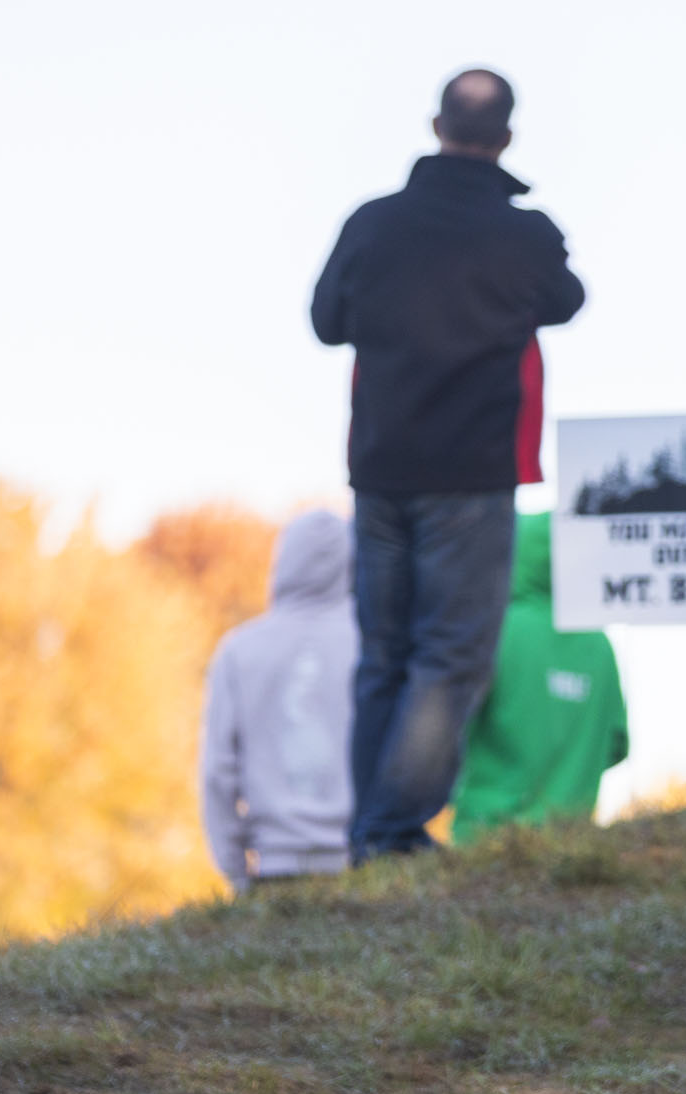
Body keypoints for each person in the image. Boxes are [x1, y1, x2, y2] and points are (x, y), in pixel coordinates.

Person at [311, 67, 585, 863]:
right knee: (453, 655)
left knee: (383, 655)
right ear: (504, 138)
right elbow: (566, 300)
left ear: (436, 127)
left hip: (379, 468)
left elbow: (328, 321)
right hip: (470, 472)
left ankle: (369, 830)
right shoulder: (522, 234)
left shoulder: (372, 224)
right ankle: (389, 832)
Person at [200, 510, 359, 892]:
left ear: (283, 561)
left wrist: (238, 874)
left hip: (275, 868)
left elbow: (217, 773)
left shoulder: (239, 650)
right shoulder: (372, 645)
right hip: (361, 864)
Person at [448, 512, 628, 843]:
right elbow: (617, 745)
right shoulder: (600, 644)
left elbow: (451, 725)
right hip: (571, 844)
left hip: (483, 839)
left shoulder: (495, 630)